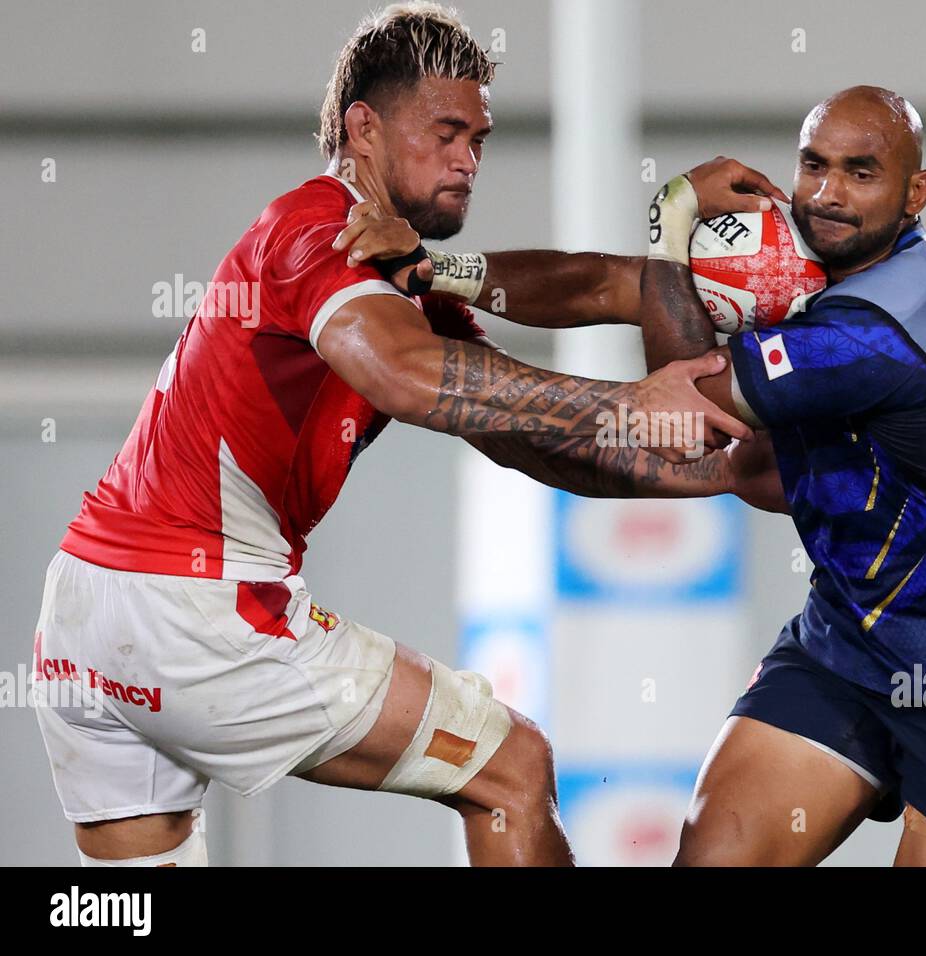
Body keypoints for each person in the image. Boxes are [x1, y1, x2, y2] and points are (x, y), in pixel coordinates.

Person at [33, 1, 761, 868]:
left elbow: (537, 436)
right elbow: (407, 379)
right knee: (511, 767)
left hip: (84, 607)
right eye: (446, 132)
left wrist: (721, 472)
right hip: (196, 609)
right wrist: (628, 403)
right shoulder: (320, 228)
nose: (467, 161)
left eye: (479, 141)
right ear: (363, 129)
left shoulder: (404, 282)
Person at [635, 86, 926, 866]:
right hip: (848, 643)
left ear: (915, 192)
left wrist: (669, 233)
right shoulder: (803, 274)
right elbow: (603, 287)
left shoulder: (882, 327)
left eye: (861, 173)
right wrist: (448, 273)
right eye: (814, 166)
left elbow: (680, 402)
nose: (827, 194)